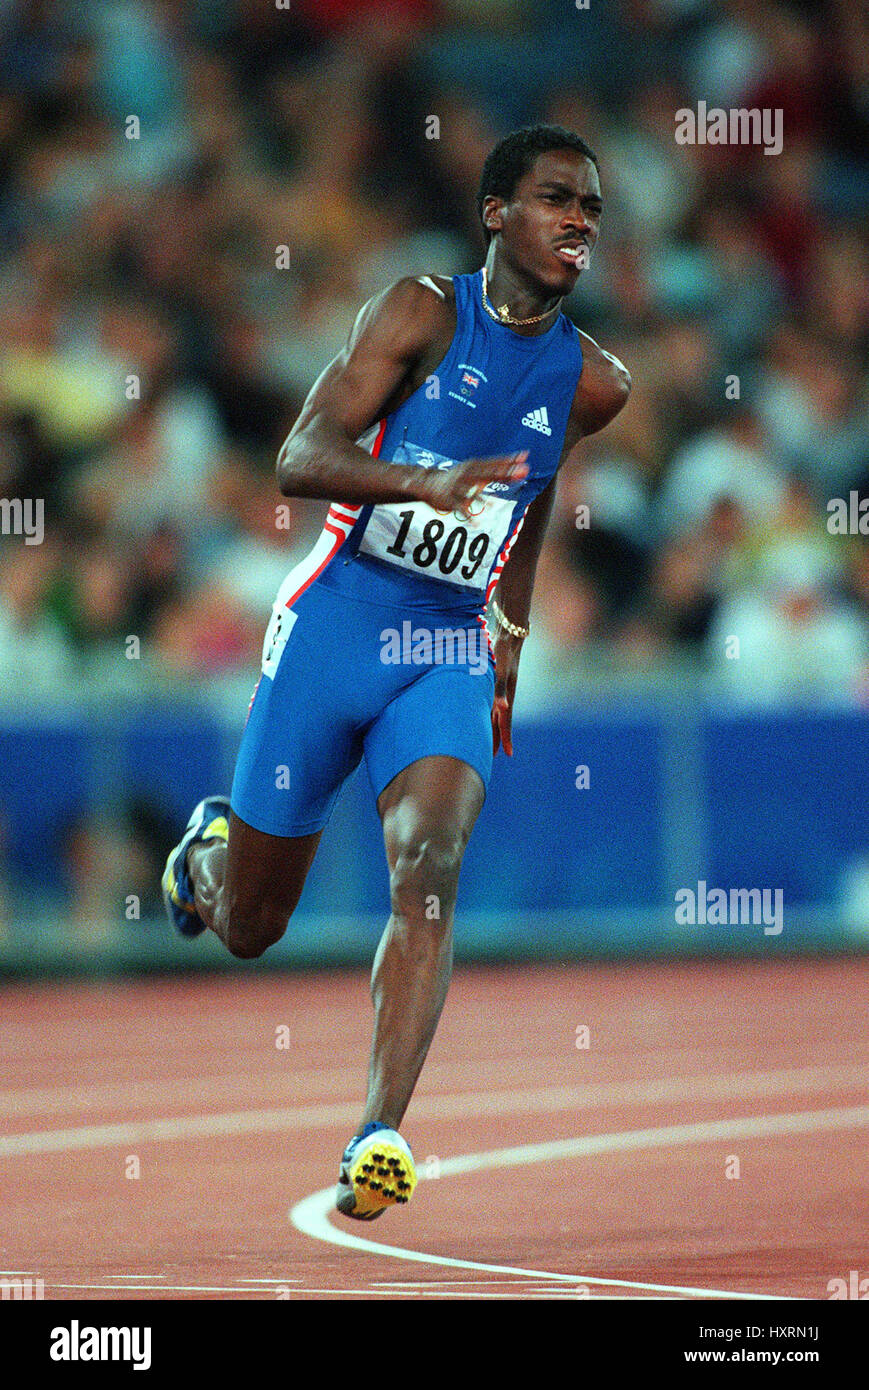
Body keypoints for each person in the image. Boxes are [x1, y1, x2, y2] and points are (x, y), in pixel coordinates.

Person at [163, 125, 630, 1220]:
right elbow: (296, 457)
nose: (579, 223)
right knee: (251, 927)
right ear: (495, 213)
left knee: (428, 864)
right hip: (334, 626)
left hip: (445, 647)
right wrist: (414, 485)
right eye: (557, 200)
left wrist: (507, 635)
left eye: (593, 209)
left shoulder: (595, 380)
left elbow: (534, 495)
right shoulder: (419, 310)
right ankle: (205, 856)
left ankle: (377, 1132)